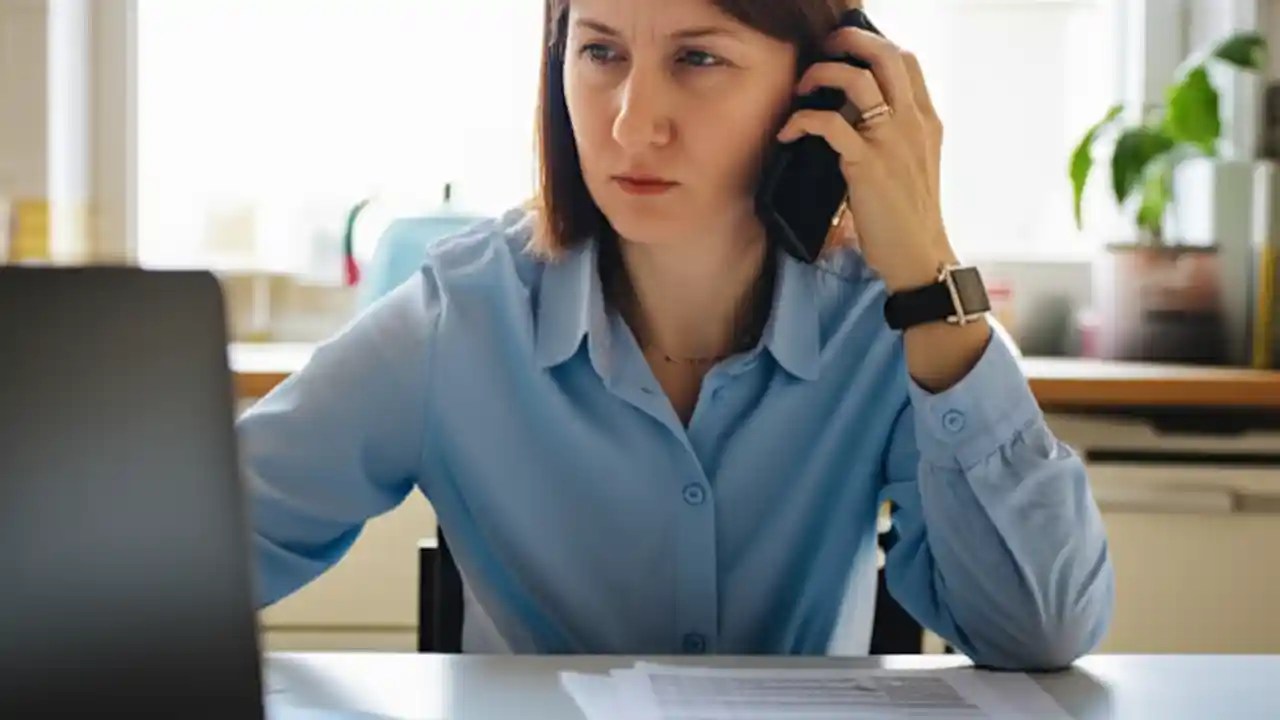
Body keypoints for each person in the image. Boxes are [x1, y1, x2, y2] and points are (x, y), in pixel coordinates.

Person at [239, 0, 1114, 670]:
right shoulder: (460, 319)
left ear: (823, 86)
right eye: (601, 52)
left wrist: (927, 275)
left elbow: (1038, 630)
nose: (631, 123)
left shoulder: (886, 325)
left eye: (697, 57)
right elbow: (186, 561)